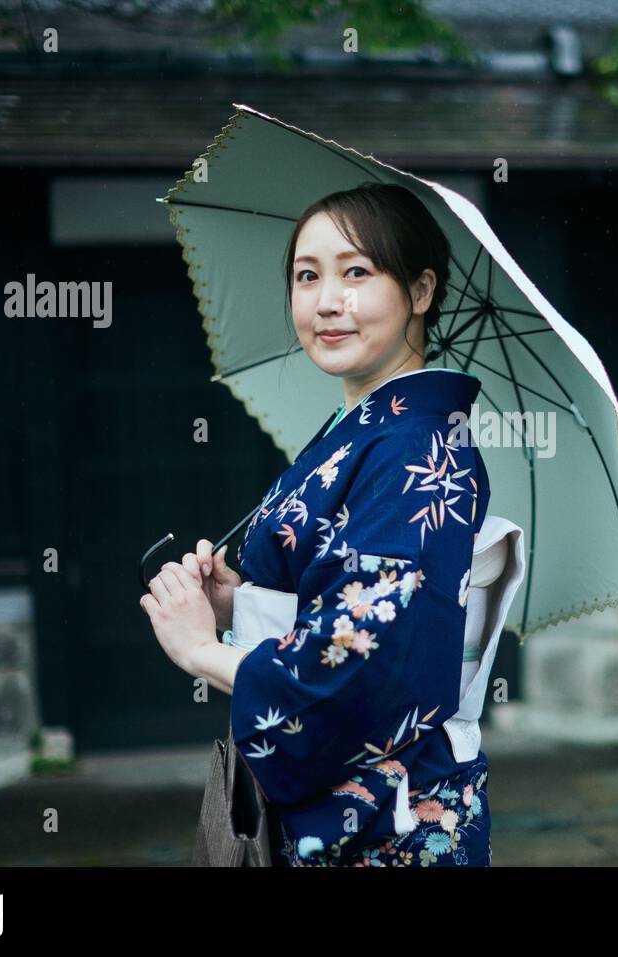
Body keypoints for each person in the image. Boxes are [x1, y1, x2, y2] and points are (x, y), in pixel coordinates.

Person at [140, 181, 494, 866]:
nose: (327, 300)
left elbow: (355, 672)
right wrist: (238, 598)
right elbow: (334, 596)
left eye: (357, 272)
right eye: (307, 276)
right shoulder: (360, 430)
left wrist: (200, 652)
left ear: (421, 291)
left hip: (383, 826)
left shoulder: (418, 450)